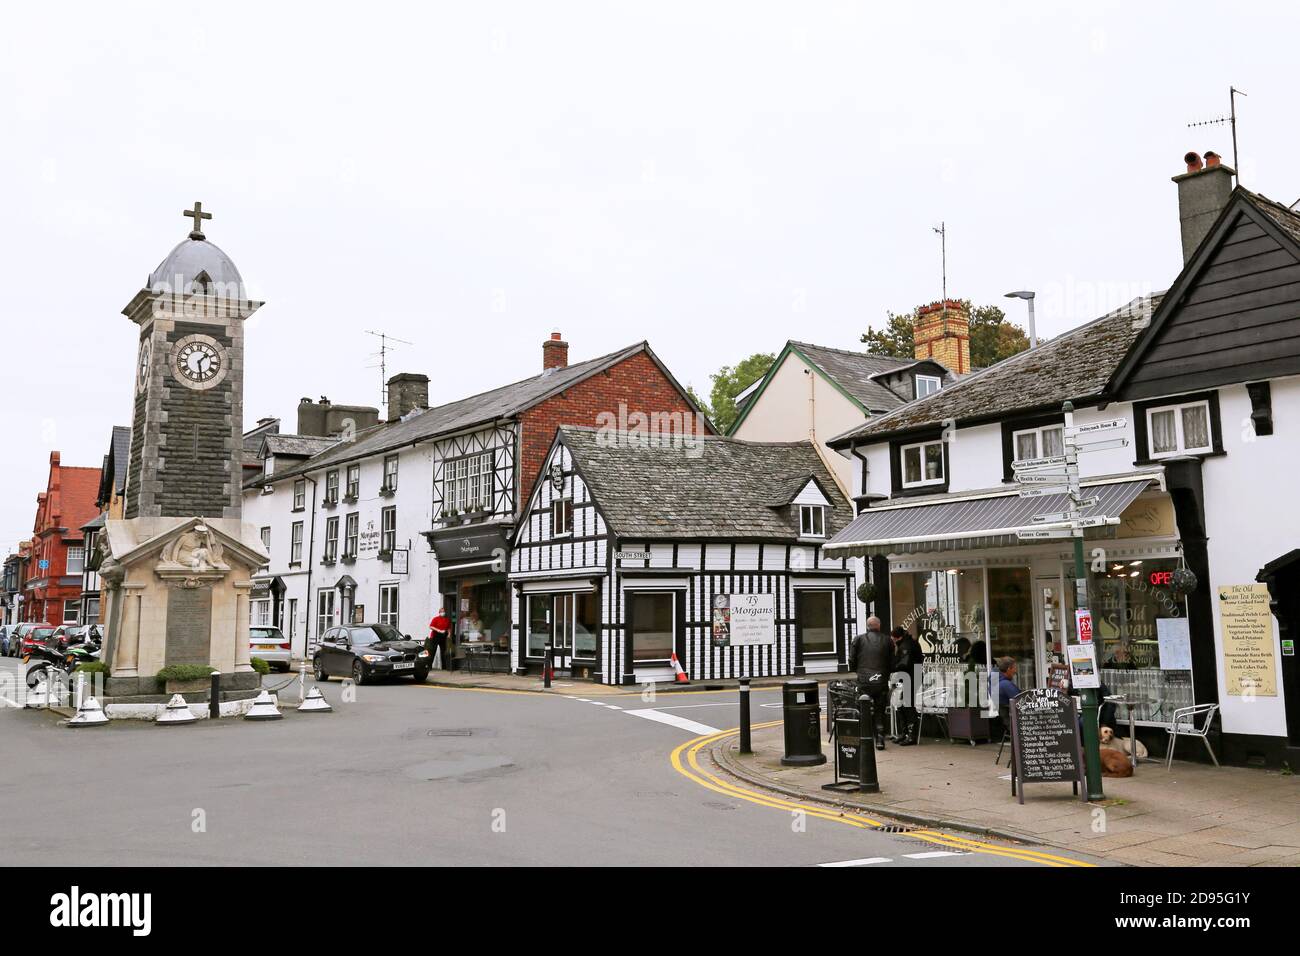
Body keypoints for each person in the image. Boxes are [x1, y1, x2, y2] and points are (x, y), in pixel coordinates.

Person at [848, 616, 895, 750]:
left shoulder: (858, 639)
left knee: (863, 708)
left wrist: (857, 671)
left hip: (864, 681)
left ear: (867, 626)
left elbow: (851, 660)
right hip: (880, 681)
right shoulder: (887, 640)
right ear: (879, 626)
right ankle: (880, 738)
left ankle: (864, 737)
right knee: (880, 710)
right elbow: (892, 662)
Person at [889, 626, 923, 745]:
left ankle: (911, 735)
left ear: (898, 637)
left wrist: (891, 667)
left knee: (907, 706)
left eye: (893, 638)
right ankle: (905, 733)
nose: (892, 640)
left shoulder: (906, 646)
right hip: (912, 676)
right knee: (902, 705)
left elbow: (904, 663)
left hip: (912, 677)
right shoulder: (907, 643)